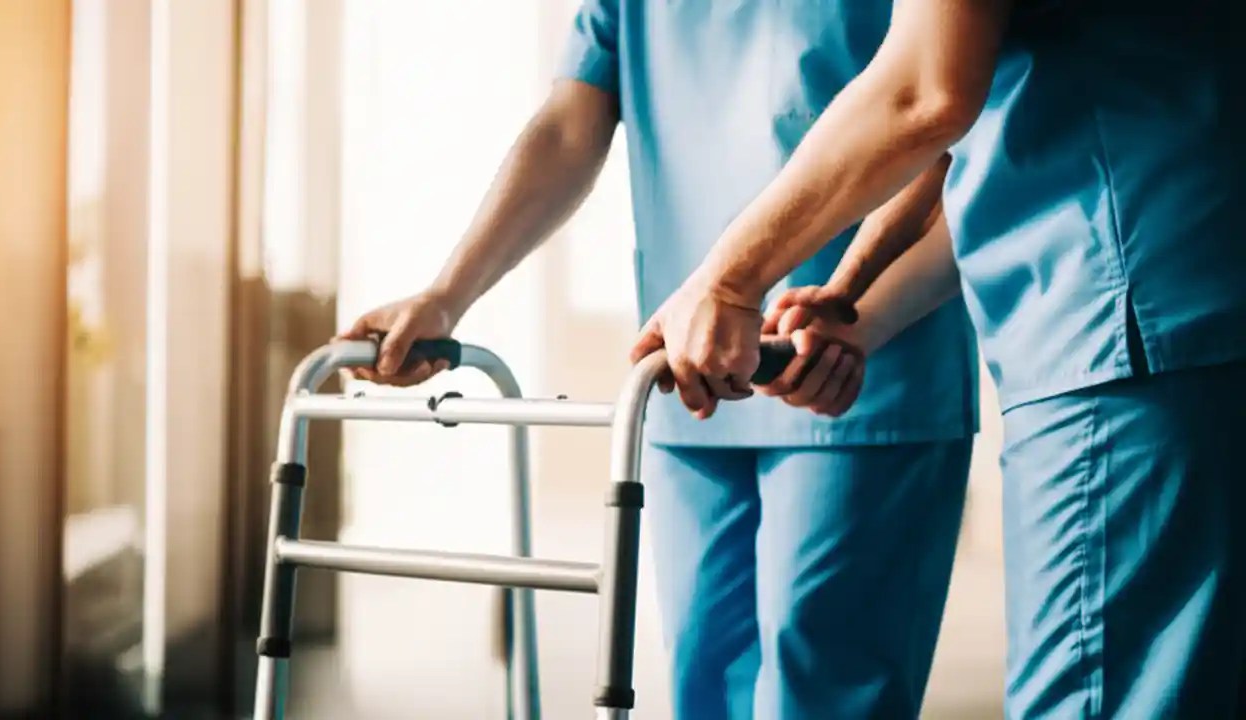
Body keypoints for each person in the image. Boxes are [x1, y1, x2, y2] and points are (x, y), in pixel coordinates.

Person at [341, 3, 981, 718]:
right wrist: (446, 296)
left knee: (825, 683)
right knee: (705, 680)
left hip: (857, 362)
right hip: (687, 372)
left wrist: (864, 315)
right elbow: (566, 130)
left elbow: (956, 127)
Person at [652, 0, 1246, 716]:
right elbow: (980, 144)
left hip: (1126, 329)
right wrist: (857, 310)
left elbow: (926, 93)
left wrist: (727, 281)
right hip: (1185, 311)